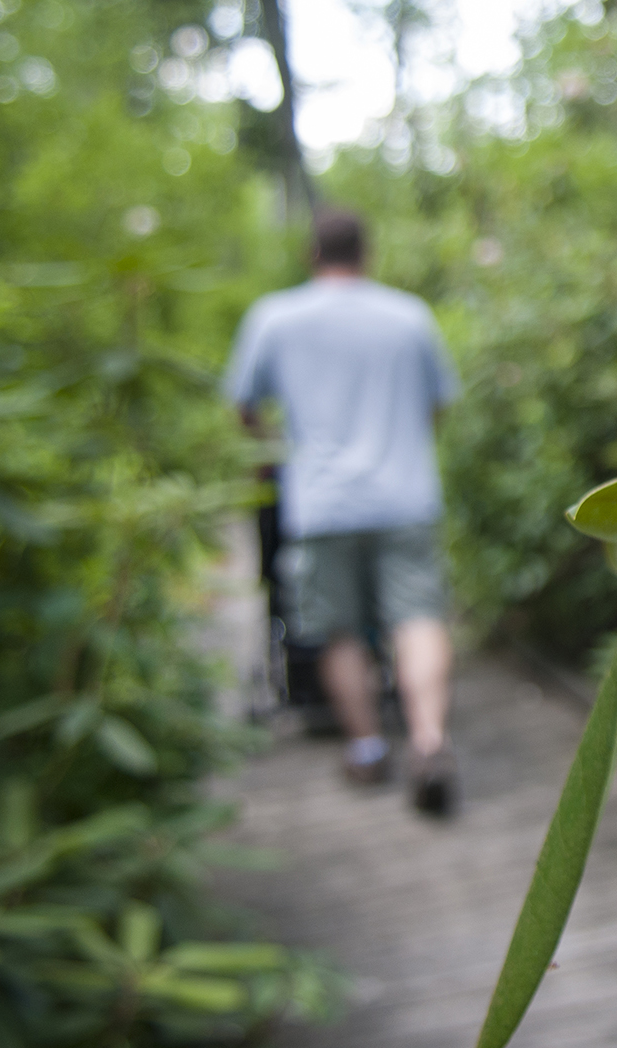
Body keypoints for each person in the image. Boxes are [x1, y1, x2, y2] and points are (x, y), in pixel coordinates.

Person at [224, 207, 462, 815]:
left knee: (339, 630)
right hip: (406, 494)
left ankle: (367, 747)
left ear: (312, 254)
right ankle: (429, 741)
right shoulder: (409, 315)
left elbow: (244, 406)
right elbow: (439, 404)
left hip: (321, 501)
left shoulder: (275, 317)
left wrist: (274, 453)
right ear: (367, 253)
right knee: (418, 616)